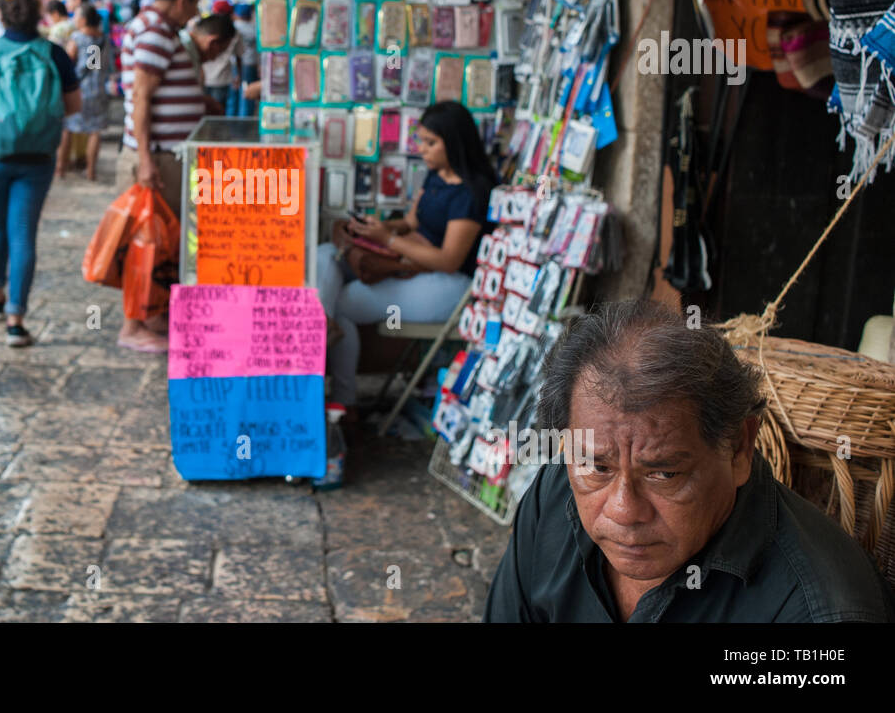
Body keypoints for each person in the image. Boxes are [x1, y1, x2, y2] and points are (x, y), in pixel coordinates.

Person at [485, 300, 895, 623]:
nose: (624, 511)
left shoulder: (817, 614)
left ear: (738, 448)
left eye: (663, 473)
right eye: (597, 467)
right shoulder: (554, 495)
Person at [316, 101, 496, 406]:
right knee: (326, 253)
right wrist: (373, 229)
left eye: (430, 143)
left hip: (446, 285)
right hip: (408, 263)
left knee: (345, 301)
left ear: (453, 142)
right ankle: (321, 324)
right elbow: (412, 222)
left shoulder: (470, 193)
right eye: (421, 141)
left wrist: (388, 239)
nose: (422, 149)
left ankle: (341, 402)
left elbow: (449, 260)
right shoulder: (437, 175)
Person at [0, 0, 81, 347]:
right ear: (38, 16)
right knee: (24, 233)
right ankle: (16, 320)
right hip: (38, 157)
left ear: (0, 16)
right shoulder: (54, 53)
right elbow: (73, 106)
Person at [115, 0, 205, 353]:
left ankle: (152, 314)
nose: (195, 13)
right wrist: (147, 159)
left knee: (161, 242)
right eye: (195, 3)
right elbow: (141, 99)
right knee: (145, 242)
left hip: (166, 154)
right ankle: (132, 326)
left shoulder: (156, 29)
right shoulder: (155, 32)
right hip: (159, 157)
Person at [56, 2, 110, 181]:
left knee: (67, 129)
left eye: (76, 16)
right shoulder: (103, 38)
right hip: (99, 91)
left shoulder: (78, 38)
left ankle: (60, 168)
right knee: (95, 132)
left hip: (79, 91)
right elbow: (100, 65)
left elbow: (69, 61)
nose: (74, 19)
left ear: (84, 19)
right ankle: (91, 171)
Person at [199, 0, 240, 110]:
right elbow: (238, 56)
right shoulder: (235, 33)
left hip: (215, 79)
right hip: (220, 79)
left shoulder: (207, 29)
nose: (214, 57)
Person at [229, 3, 259, 118]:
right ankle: (245, 120)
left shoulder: (234, 27)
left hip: (236, 65)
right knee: (248, 95)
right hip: (251, 63)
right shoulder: (254, 28)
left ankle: (232, 122)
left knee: (234, 96)